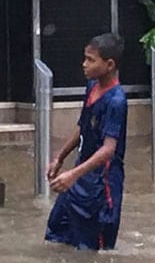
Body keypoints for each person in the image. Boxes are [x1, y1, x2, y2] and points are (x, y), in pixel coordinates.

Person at [45, 34, 128, 251]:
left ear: (109, 65)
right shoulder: (92, 87)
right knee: (57, 231)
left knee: (95, 251)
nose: (84, 64)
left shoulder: (116, 101)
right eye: (85, 58)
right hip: (80, 178)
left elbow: (109, 149)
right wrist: (59, 158)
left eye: (91, 60)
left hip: (102, 185)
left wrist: (72, 175)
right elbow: (83, 127)